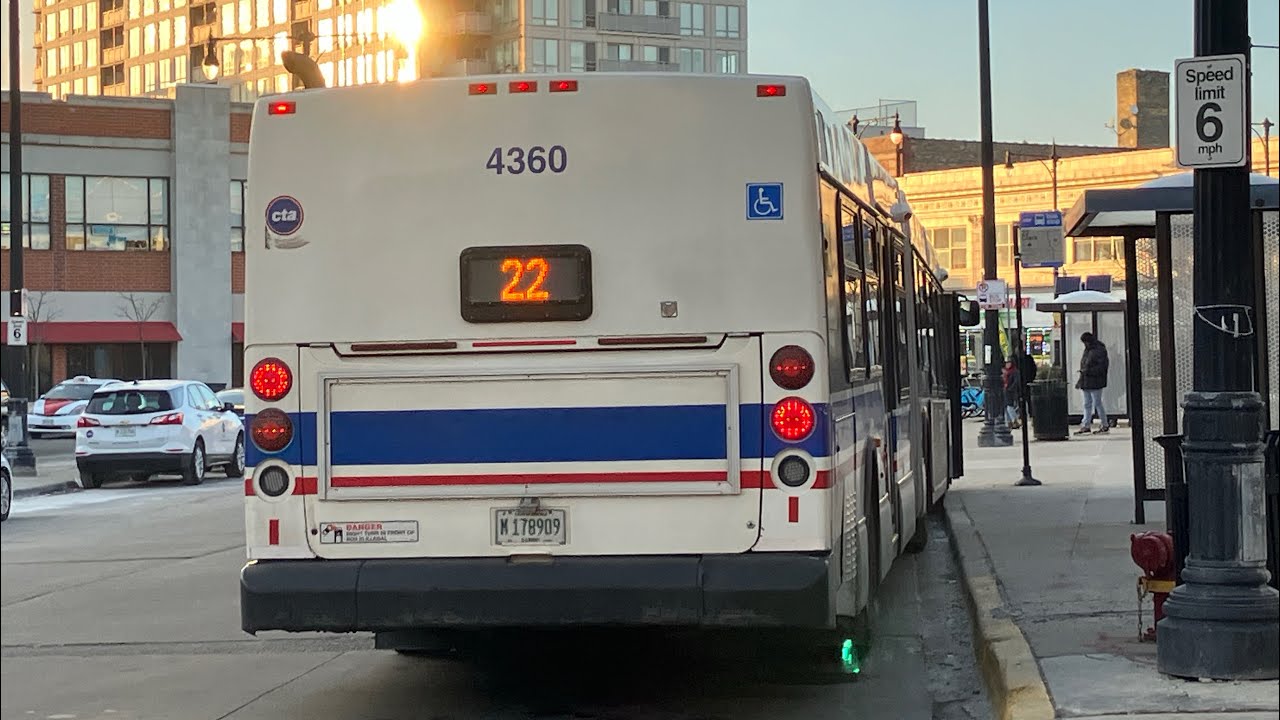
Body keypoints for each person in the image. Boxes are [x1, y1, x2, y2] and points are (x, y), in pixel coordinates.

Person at [1075, 331, 1110, 434]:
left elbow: (1102, 367)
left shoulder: (1097, 350)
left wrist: (1087, 371)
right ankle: (1086, 424)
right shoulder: (1091, 350)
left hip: (1094, 380)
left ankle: (1104, 424)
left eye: (1085, 342)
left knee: (1096, 403)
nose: (1084, 344)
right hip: (1088, 380)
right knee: (1087, 403)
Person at [1003, 359, 1022, 429]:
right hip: (1005, 391)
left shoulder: (1015, 371)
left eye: (1009, 363)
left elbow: (1016, 382)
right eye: (1006, 363)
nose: (1007, 365)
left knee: (1009, 406)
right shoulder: (1005, 372)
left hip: (1011, 392)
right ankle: (1009, 421)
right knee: (1006, 407)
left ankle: (1014, 420)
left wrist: (1010, 388)